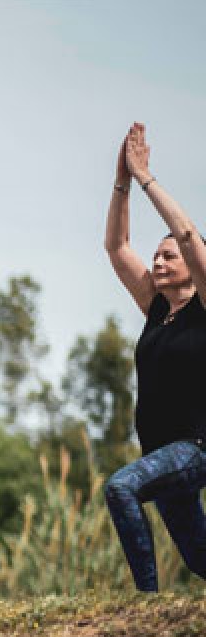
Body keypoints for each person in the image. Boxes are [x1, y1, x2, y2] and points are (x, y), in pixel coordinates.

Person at [102, 122, 206, 591]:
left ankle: (146, 602)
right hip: (161, 454)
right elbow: (117, 247)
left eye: (169, 257)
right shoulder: (156, 309)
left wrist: (146, 177)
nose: (159, 263)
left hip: (196, 448)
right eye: (156, 257)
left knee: (121, 487)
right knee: (201, 558)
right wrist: (120, 180)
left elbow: (186, 232)